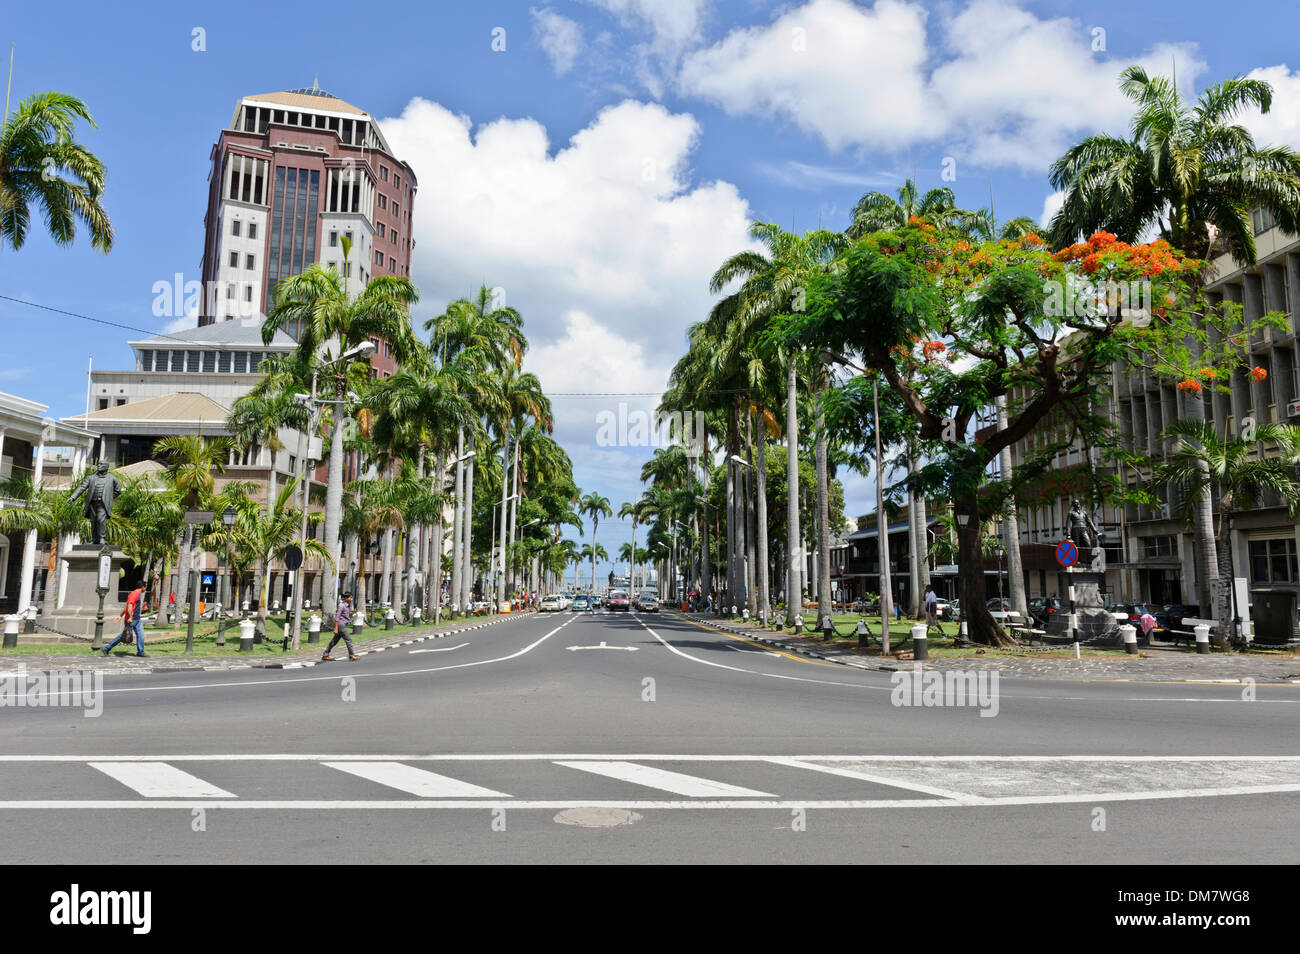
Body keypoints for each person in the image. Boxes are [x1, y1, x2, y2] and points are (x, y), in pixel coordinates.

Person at [102, 582, 147, 657]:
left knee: (141, 635)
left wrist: (120, 616)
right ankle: (106, 648)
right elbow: (129, 606)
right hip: (131, 620)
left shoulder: (135, 594)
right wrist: (130, 617)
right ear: (142, 587)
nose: (146, 588)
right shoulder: (134, 594)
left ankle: (140, 651)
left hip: (137, 619)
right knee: (123, 636)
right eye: (146, 587)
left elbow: (126, 606)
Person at [322, 593, 358, 661]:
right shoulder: (341, 606)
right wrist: (336, 628)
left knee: (334, 641)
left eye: (351, 597)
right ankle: (351, 655)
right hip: (341, 625)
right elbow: (337, 617)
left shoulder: (348, 605)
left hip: (343, 625)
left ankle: (325, 654)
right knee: (348, 640)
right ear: (346, 598)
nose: (351, 599)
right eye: (350, 597)